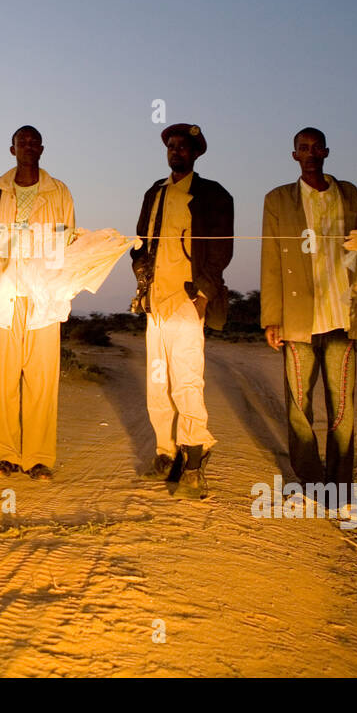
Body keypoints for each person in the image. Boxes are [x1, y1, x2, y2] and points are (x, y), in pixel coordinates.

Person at [260, 127, 357, 514]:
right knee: (299, 408)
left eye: (316, 148)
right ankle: (311, 485)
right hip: (298, 321)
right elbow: (272, 261)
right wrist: (271, 318)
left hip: (343, 316)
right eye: (302, 149)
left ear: (326, 152)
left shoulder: (351, 195)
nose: (310, 154)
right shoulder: (278, 200)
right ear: (294, 155)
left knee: (342, 409)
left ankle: (341, 491)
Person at [131, 123, 234, 499]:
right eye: (171, 146)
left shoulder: (213, 195)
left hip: (187, 302)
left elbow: (222, 249)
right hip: (155, 304)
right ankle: (165, 453)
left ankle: (193, 461)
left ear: (195, 153)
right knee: (157, 383)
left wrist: (204, 293)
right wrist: (140, 275)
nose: (176, 152)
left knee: (187, 381)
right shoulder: (154, 193)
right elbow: (141, 242)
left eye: (183, 147)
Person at [0, 125, 75, 481]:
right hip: (2, 295)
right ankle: (5, 455)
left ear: (42, 148)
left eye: (34, 141)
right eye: (22, 142)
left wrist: (63, 292)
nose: (28, 146)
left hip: (44, 298)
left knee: (42, 381)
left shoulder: (59, 192)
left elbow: (66, 246)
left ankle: (39, 458)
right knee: (3, 381)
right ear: (12, 148)